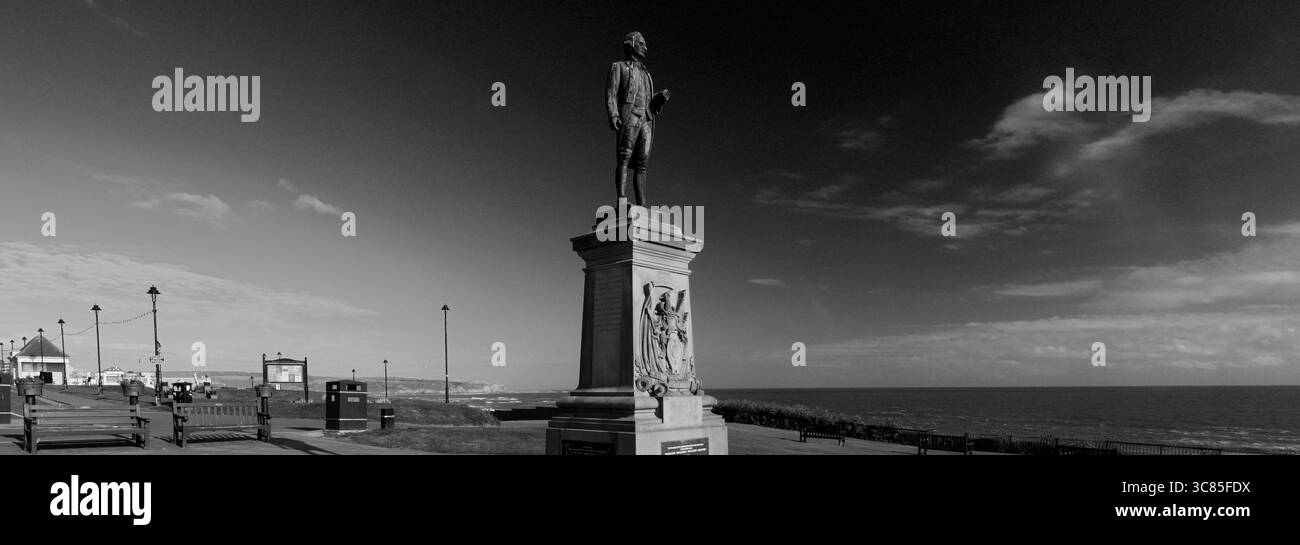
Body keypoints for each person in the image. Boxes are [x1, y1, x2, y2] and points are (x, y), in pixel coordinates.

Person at [606, 31, 670, 206]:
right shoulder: (618, 67)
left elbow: (648, 100)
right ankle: (621, 199)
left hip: (646, 120)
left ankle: (642, 204)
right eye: (641, 43)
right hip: (630, 116)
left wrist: (659, 98)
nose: (645, 48)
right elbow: (611, 93)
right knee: (624, 157)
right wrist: (614, 114)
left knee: (642, 165)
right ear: (631, 44)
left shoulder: (646, 73)